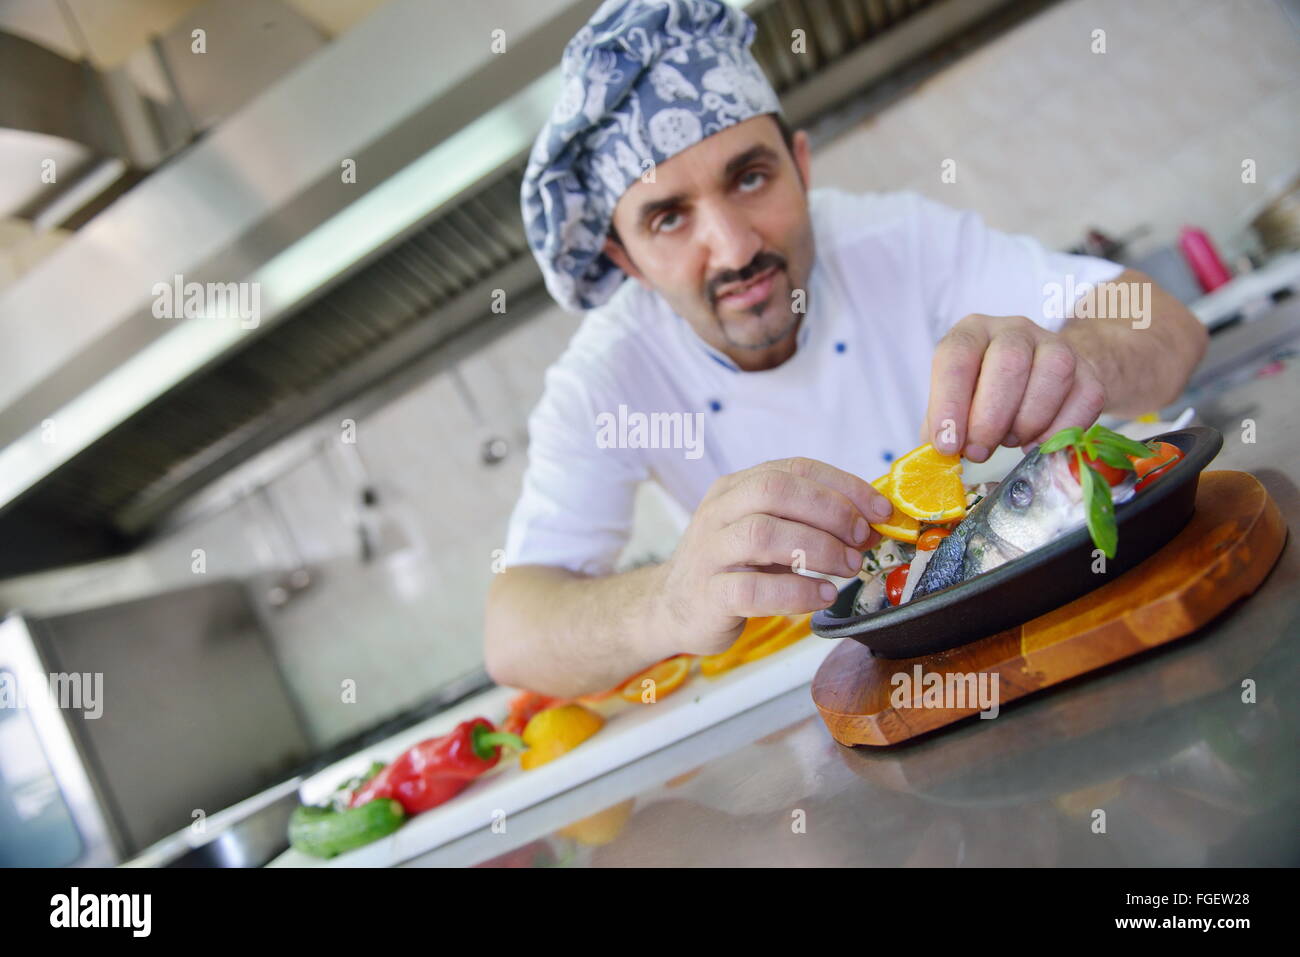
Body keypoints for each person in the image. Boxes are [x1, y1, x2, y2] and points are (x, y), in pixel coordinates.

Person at [484, 0, 1207, 697]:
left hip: (1033, 622)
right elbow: (513, 633)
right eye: (669, 217)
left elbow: (1164, 321)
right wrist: (669, 602)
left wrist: (1073, 362)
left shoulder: (897, 241)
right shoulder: (604, 379)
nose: (735, 247)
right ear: (629, 261)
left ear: (801, 166)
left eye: (751, 177)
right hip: (816, 702)